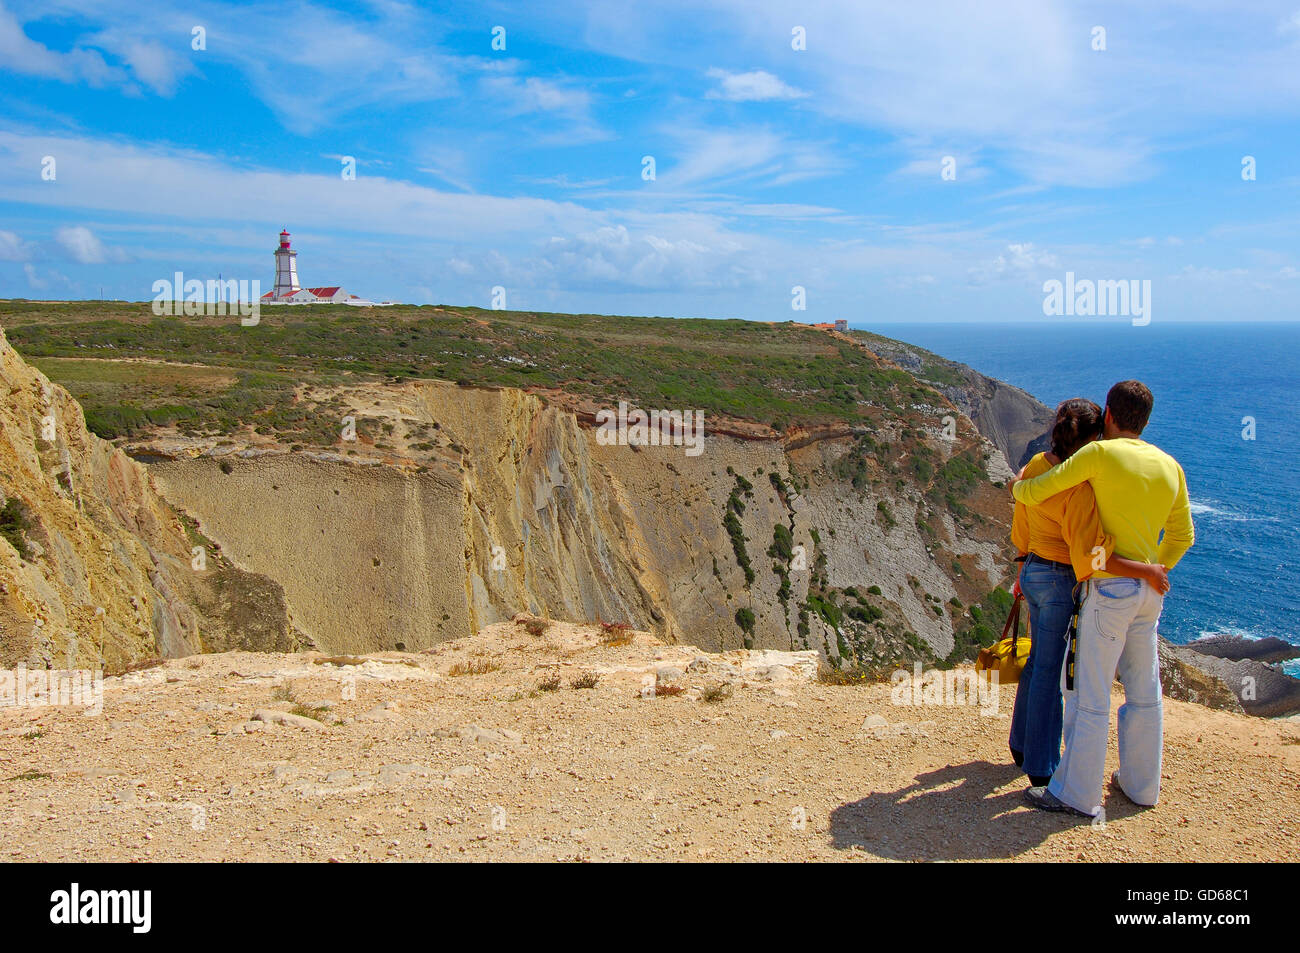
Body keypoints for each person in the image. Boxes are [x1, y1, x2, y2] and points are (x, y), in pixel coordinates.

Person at [1009, 380, 1194, 818]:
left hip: (1108, 586)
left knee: (1088, 695)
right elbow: (1184, 535)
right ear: (1145, 421)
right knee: (1144, 691)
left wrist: (1017, 488)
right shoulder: (1171, 465)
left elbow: (1039, 491)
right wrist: (1156, 569)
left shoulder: (1098, 455)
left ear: (1109, 414)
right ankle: (1142, 785)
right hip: (1151, 591)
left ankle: (1075, 793)